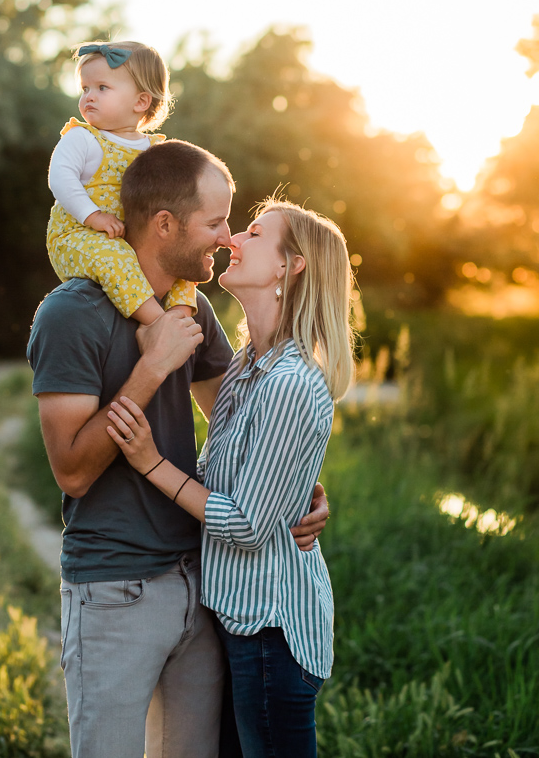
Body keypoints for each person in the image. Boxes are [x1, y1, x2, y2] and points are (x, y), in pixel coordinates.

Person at [27, 142, 329, 758]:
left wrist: (299, 490)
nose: (226, 237)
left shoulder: (193, 307)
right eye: (215, 222)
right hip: (113, 588)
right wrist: (151, 369)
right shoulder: (69, 314)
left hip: (201, 584)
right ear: (165, 224)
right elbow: (73, 473)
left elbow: (245, 428)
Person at [107, 198, 355, 758]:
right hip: (238, 621)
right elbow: (235, 479)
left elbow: (245, 524)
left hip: (271, 631)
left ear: (289, 266)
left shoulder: (291, 381)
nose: (233, 239)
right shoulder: (245, 367)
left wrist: (149, 462)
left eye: (255, 233)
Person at [47, 40, 196, 323]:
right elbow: (60, 179)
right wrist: (94, 216)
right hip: (78, 237)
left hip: (129, 241)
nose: (89, 97)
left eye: (102, 88)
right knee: (116, 257)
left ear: (140, 101)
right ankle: (158, 324)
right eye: (85, 88)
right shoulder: (83, 138)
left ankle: (181, 320)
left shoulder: (153, 149)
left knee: (180, 257)